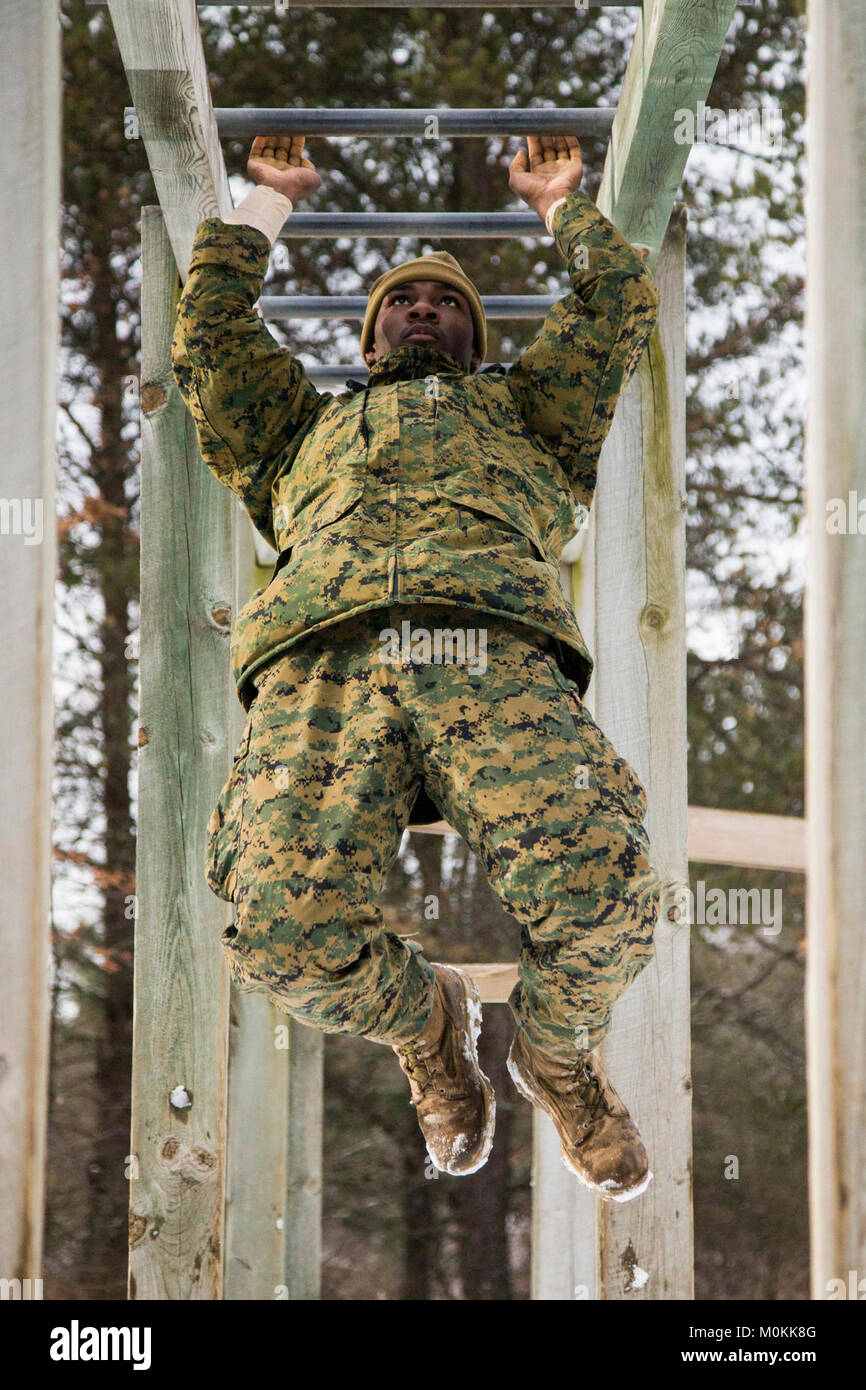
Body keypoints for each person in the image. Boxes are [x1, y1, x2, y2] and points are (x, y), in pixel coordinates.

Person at [171, 132, 662, 1201]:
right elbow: (208, 332)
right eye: (403, 300)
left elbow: (615, 302)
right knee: (277, 932)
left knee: (605, 895)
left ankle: (555, 1053)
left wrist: (558, 206)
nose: (425, 307)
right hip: (325, 665)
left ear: (476, 341)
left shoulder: (530, 415)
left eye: (447, 301)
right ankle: (428, 1024)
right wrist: (268, 200)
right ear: (370, 334)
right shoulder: (296, 433)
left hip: (492, 657)